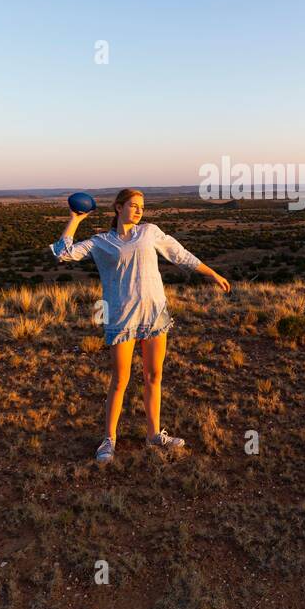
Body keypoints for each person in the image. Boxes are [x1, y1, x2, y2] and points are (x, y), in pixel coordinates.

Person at [50, 188, 230, 464]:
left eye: (141, 206)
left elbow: (180, 255)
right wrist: (75, 219)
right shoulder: (101, 242)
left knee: (153, 377)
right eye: (133, 205)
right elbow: (63, 254)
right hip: (122, 319)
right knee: (120, 381)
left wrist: (213, 274)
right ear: (118, 208)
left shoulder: (149, 232)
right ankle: (109, 440)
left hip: (154, 315)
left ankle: (154, 435)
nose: (138, 210)